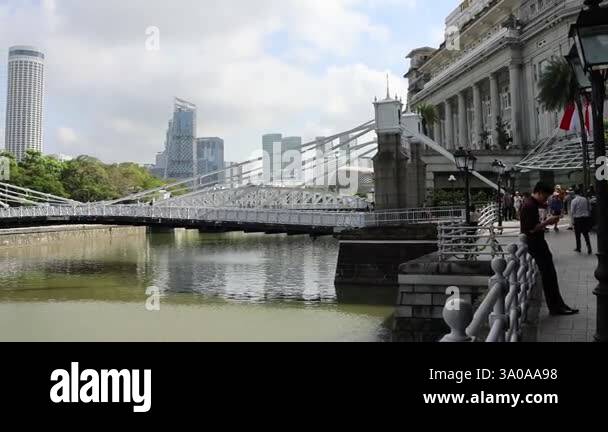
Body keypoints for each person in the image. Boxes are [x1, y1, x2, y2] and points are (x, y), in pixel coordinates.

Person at [520, 182, 579, 316]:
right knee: (549, 275)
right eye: (545, 197)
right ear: (539, 192)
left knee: (550, 275)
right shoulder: (529, 205)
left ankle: (558, 305)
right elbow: (530, 229)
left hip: (538, 242)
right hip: (535, 243)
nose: (546, 200)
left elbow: (543, 210)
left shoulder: (533, 203)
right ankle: (556, 307)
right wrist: (548, 222)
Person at [570, 188, 593, 255]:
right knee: (586, 234)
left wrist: (572, 221)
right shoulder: (585, 199)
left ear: (575, 194)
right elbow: (590, 208)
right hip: (585, 219)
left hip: (578, 219)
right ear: (580, 193)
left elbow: (572, 211)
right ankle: (589, 248)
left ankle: (578, 248)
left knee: (577, 235)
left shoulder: (574, 201)